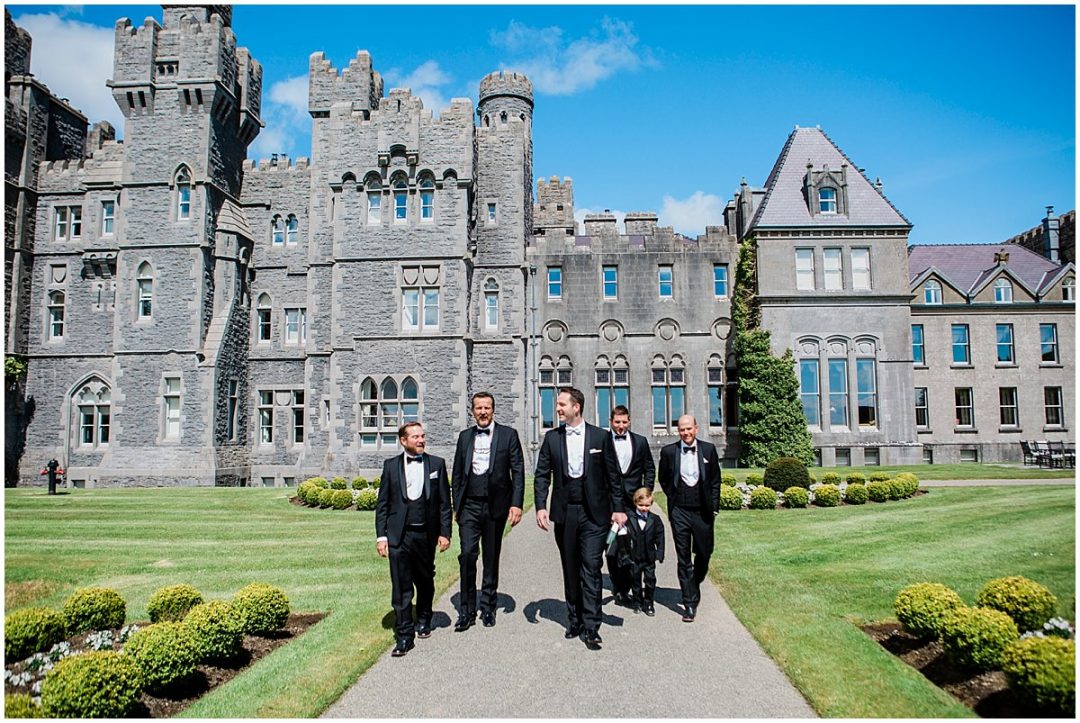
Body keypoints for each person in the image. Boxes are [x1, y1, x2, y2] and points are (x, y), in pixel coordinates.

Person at [534, 387, 625, 650]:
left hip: (594, 514)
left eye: (562, 404)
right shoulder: (552, 438)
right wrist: (541, 506)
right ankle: (573, 620)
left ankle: (592, 625)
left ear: (577, 407)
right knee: (571, 567)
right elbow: (542, 475)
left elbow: (613, 476)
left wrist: (618, 509)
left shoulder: (600, 436)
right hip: (565, 512)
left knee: (591, 567)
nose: (558, 408)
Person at [375, 422, 452, 657]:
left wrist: (445, 533)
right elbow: (383, 505)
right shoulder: (390, 467)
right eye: (416, 437)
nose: (421, 440)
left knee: (425, 580)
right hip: (399, 536)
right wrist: (381, 537)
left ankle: (425, 617)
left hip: (425, 535)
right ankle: (405, 636)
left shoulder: (436, 464)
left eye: (423, 436)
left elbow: (443, 504)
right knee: (401, 587)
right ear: (403, 440)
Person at [450, 392, 525, 631]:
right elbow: (458, 475)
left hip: (496, 506)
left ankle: (489, 606)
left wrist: (516, 504)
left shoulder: (508, 435)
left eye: (487, 408)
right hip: (469, 506)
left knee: (491, 558)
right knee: (468, 555)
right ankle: (466, 610)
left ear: (494, 410)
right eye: (478, 408)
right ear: (472, 411)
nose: (483, 412)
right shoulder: (464, 438)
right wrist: (456, 506)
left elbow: (518, 471)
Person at [657, 414, 720, 622]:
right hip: (680, 512)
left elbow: (715, 481)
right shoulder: (668, 452)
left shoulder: (709, 450)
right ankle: (689, 603)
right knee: (683, 556)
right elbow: (664, 479)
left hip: (702, 511)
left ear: (696, 428)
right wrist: (674, 499)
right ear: (678, 431)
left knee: (704, 553)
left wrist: (714, 507)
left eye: (689, 429)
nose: (686, 433)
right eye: (682, 430)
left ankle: (694, 584)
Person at [604, 405, 655, 607]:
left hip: (633, 503)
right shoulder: (603, 441)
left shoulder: (640, 442)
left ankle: (633, 586)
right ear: (611, 422)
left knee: (634, 545)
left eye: (624, 422)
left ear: (629, 421)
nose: (621, 426)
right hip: (609, 503)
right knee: (613, 545)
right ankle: (618, 587)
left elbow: (649, 468)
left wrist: (645, 493)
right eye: (617, 422)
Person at [624, 486, 665, 616]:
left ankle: (649, 603)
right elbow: (623, 538)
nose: (644, 508)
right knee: (635, 580)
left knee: (650, 580)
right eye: (641, 505)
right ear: (635, 503)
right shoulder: (629, 518)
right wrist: (624, 554)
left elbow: (660, 537)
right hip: (634, 556)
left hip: (649, 556)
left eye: (647, 505)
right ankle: (637, 601)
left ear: (651, 504)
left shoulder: (655, 519)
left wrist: (660, 553)